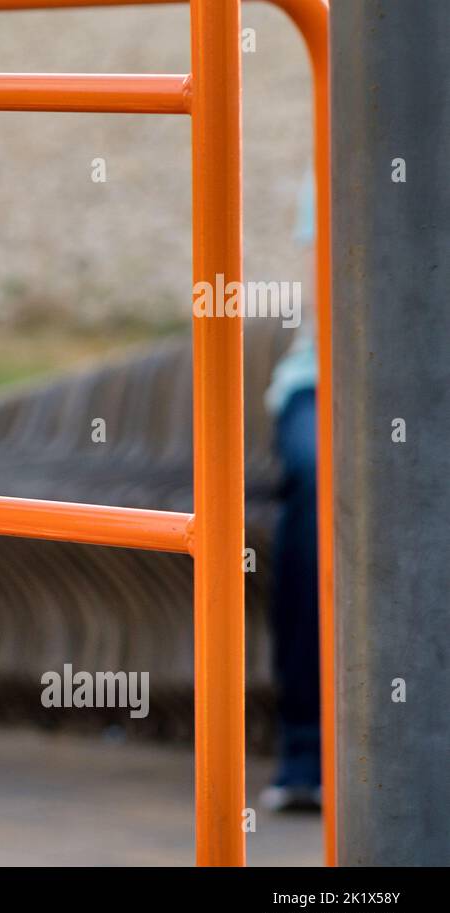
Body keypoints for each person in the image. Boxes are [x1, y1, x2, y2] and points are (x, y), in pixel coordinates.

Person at [259, 171, 322, 813]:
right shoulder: (352, 141)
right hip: (330, 376)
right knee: (317, 479)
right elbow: (330, 294)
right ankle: (308, 749)